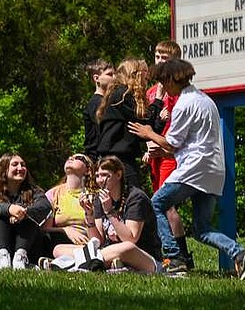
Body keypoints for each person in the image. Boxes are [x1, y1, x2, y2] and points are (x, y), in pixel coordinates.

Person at [128, 59, 245, 279]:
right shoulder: (206, 100)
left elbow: (171, 143)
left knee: (157, 203)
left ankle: (175, 259)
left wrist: (148, 133)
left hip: (194, 169)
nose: (162, 86)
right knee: (202, 229)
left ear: (172, 79)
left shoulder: (183, 104)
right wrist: (167, 151)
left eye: (163, 81)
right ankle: (241, 255)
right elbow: (188, 144)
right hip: (213, 172)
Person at [51, 156, 161, 273]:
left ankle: (71, 264)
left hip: (143, 256)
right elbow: (97, 240)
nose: (100, 180)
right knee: (58, 249)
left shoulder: (135, 198)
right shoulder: (99, 199)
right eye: (97, 176)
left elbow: (130, 238)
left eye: (104, 175)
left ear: (118, 175)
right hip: (108, 251)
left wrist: (109, 212)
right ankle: (99, 263)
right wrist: (89, 215)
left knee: (126, 247)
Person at [143, 40, 194, 268]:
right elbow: (147, 125)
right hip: (154, 155)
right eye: (157, 56)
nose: (160, 61)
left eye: (165, 58)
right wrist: (148, 148)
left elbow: (180, 128)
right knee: (158, 202)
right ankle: (176, 254)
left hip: (171, 155)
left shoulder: (179, 93)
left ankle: (179, 254)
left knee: (165, 204)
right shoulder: (151, 92)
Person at [96, 58, 164, 190]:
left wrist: (160, 121)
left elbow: (142, 131)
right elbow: (144, 122)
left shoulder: (118, 94)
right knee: (135, 197)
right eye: (144, 73)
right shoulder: (122, 95)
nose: (147, 78)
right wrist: (158, 101)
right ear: (135, 74)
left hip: (119, 157)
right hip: (117, 159)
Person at [0, 153, 51, 269]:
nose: (20, 168)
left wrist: (23, 212)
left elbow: (46, 206)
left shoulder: (33, 191)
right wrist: (9, 209)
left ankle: (20, 257)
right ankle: (3, 256)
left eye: (23, 165)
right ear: (4, 169)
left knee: (29, 215)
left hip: (27, 245)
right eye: (15, 165)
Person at [40, 154, 94, 254]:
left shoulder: (94, 196)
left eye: (79, 158)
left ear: (88, 171)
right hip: (60, 240)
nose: (71, 158)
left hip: (88, 241)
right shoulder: (53, 194)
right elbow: (45, 229)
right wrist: (66, 230)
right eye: (70, 157)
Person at [83, 58, 115, 159]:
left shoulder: (105, 101)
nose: (114, 78)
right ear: (96, 78)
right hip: (98, 158)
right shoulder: (96, 103)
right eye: (109, 74)